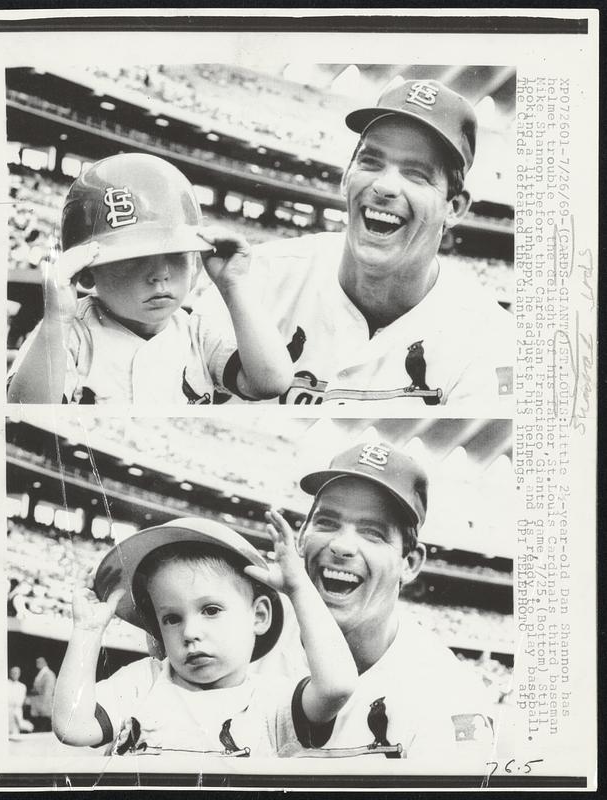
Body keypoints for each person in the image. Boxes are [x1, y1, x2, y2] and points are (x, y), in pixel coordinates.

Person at [196, 79, 513, 408]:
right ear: (346, 177)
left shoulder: (491, 340)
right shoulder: (251, 281)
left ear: (455, 207)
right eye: (371, 162)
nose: (385, 186)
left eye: (416, 174)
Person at [256, 441, 494, 760]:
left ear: (409, 563)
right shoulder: (246, 634)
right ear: (301, 538)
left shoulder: (448, 692)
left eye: (373, 533)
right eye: (327, 522)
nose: (342, 546)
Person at [52, 517, 357, 757]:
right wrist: (87, 633)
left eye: (211, 610)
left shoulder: (271, 702)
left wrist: (300, 588)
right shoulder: (141, 683)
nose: (190, 633)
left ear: (259, 616)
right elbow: (72, 727)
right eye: (171, 618)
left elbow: (337, 687)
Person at [7, 153, 292, 405]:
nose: (160, 274)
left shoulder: (197, 333)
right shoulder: (70, 334)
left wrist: (234, 286)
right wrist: (56, 321)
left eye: (176, 253)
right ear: (86, 271)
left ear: (195, 260)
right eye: (133, 258)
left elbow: (271, 383)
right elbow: (26, 409)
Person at [28, 657, 56, 733]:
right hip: (38, 707)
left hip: (44, 708)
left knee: (44, 730)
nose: (37, 664)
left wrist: (44, 708)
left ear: (45, 663)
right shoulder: (41, 674)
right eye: (36, 662)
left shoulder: (48, 674)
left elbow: (48, 692)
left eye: (39, 662)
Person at [8, 666, 32, 738]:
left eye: (17, 673)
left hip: (18, 710)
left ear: (19, 674)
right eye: (13, 673)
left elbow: (21, 700)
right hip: (7, 710)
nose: (15, 674)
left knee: (16, 731)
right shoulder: (5, 684)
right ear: (10, 673)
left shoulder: (22, 686)